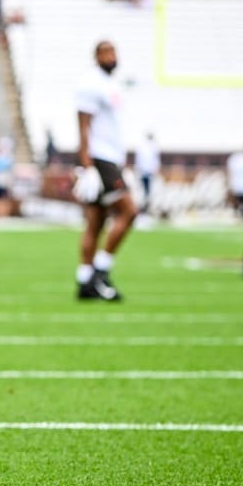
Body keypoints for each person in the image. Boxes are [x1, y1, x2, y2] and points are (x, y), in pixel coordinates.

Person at [72, 41, 137, 301]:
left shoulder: (109, 83)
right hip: (100, 159)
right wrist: (87, 165)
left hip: (110, 158)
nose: (112, 57)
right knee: (129, 211)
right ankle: (100, 271)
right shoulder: (91, 83)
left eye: (114, 52)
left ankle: (85, 280)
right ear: (97, 56)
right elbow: (83, 126)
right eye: (107, 52)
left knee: (96, 222)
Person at [135, 132, 161, 215]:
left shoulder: (143, 146)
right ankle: (144, 209)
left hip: (144, 172)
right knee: (146, 192)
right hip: (147, 172)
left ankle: (144, 209)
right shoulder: (152, 147)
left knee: (145, 192)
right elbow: (155, 161)